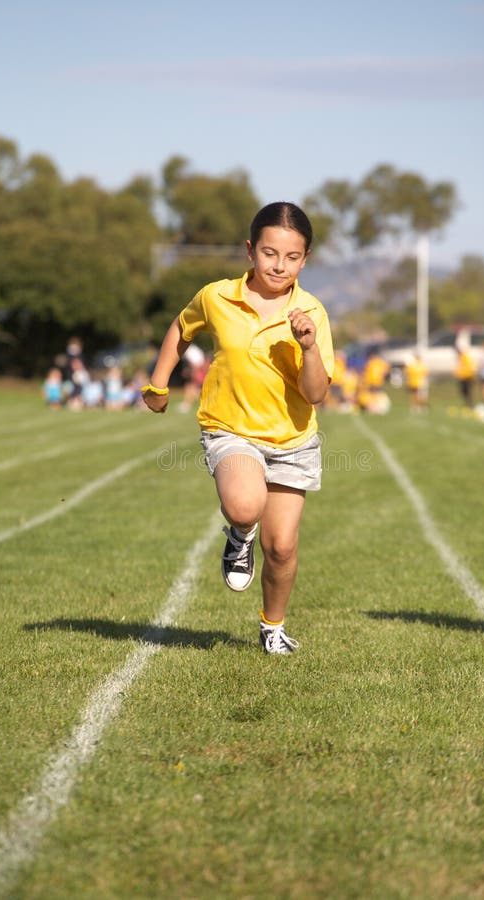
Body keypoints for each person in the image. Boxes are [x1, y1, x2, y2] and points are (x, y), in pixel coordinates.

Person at [141, 202, 334, 654]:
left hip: (293, 440)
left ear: (305, 259)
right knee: (246, 507)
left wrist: (308, 348)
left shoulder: (313, 313)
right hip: (230, 428)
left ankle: (273, 627)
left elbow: (316, 394)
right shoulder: (216, 297)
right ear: (250, 250)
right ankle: (239, 534)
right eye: (270, 253)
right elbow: (180, 328)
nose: (279, 265)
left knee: (282, 547)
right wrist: (159, 382)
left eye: (291, 257)